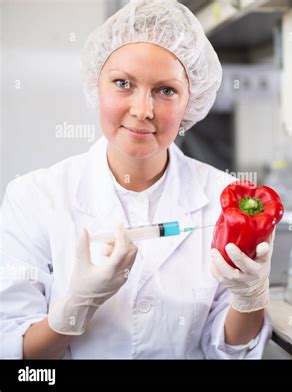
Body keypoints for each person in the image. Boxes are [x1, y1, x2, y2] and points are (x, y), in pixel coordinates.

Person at [0, 0, 273, 359]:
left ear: (191, 99)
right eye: (123, 83)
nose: (143, 110)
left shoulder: (229, 199)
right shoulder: (34, 197)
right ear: (97, 85)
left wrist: (250, 296)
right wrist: (74, 309)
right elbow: (16, 355)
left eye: (166, 90)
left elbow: (230, 351)